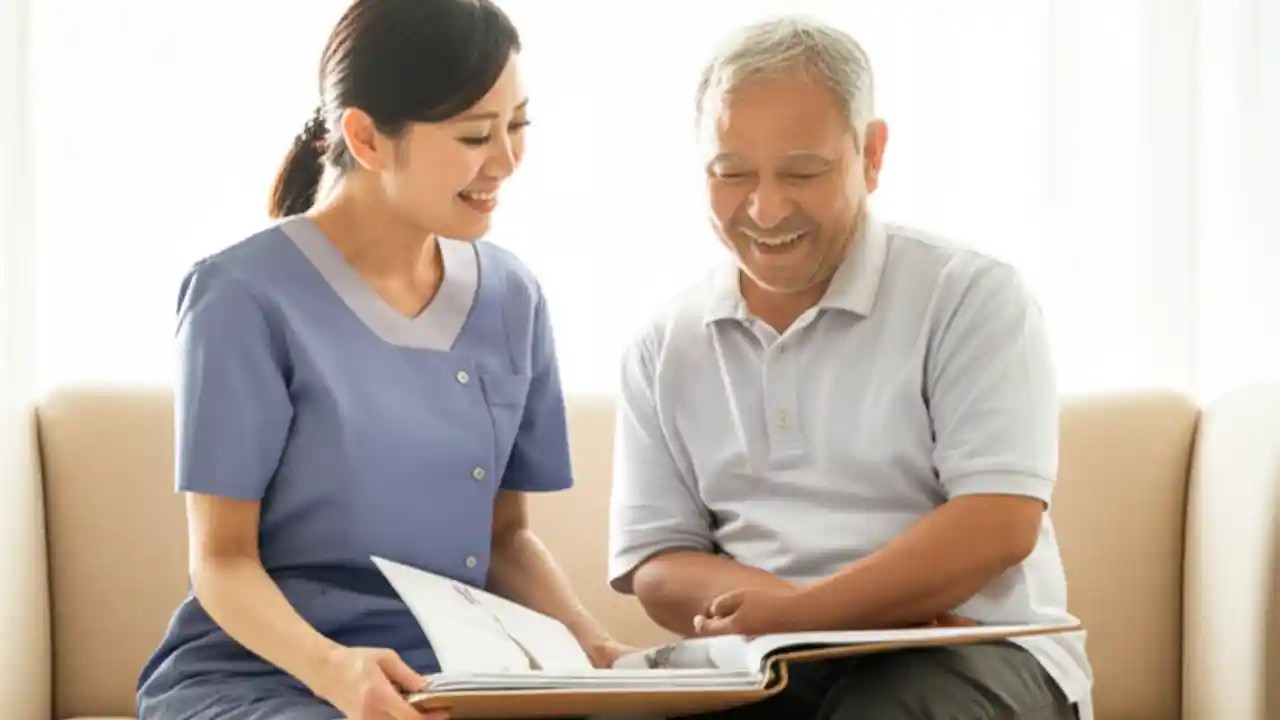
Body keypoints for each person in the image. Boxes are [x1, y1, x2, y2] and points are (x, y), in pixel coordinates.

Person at [136, 1, 629, 718]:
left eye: (518, 125)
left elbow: (505, 539)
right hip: (265, 674)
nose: (507, 160)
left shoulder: (512, 298)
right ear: (365, 137)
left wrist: (595, 652)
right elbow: (222, 561)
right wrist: (338, 673)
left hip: (456, 674)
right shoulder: (241, 298)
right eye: (473, 136)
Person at [607, 15, 1093, 720]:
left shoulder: (969, 295)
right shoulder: (663, 342)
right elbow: (656, 564)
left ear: (872, 154)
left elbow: (998, 522)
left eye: (802, 172)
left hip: (975, 652)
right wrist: (800, 625)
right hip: (765, 659)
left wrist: (811, 613)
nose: (765, 208)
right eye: (731, 173)